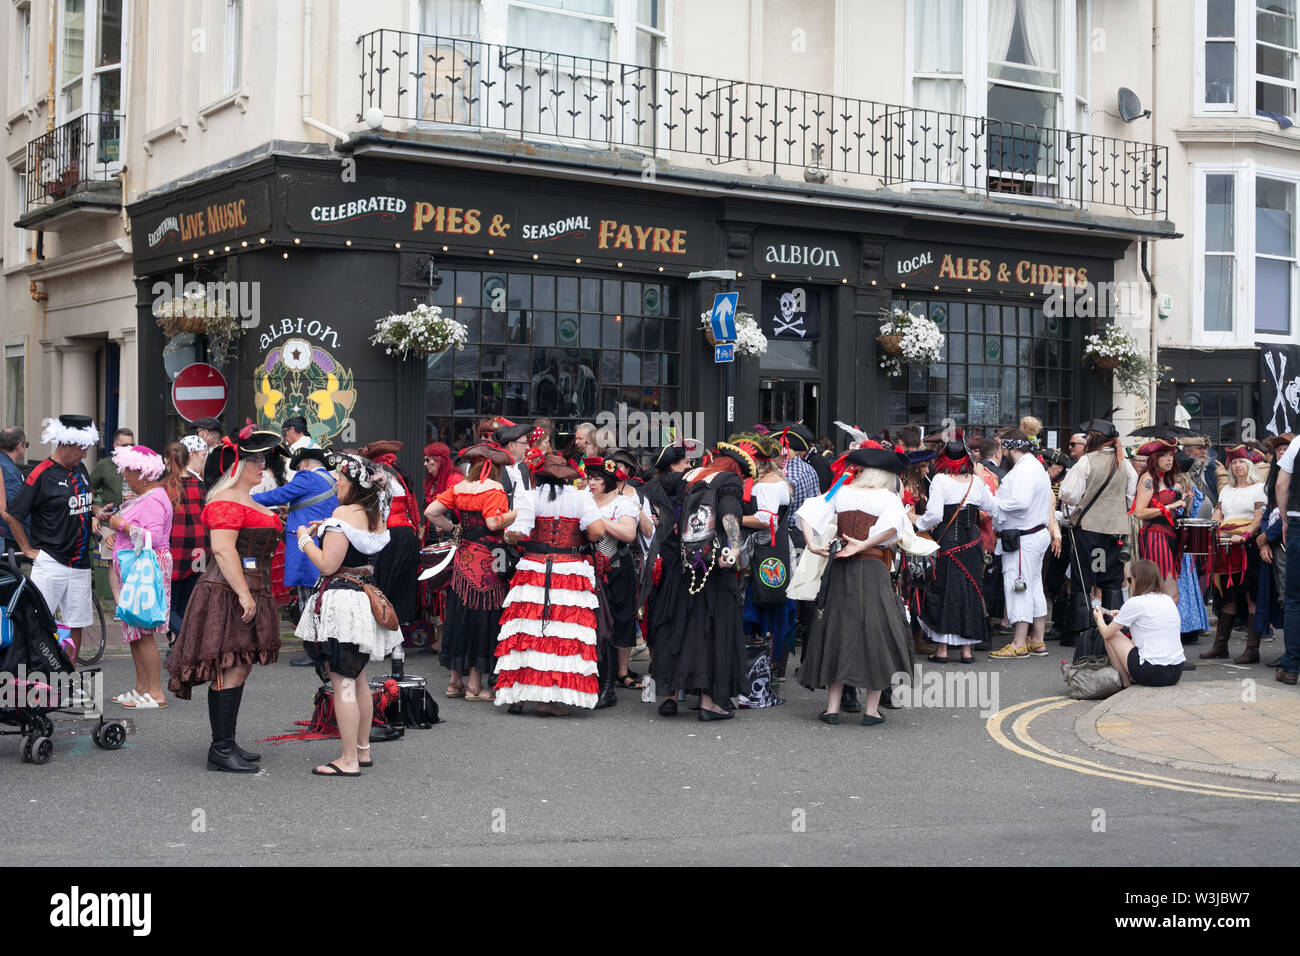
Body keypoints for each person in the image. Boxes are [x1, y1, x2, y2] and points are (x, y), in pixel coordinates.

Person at [166, 431, 286, 772]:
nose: (262, 466)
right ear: (237, 467)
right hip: (228, 592)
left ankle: (227, 743)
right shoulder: (225, 502)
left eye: (264, 461)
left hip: (248, 589)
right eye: (255, 461)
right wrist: (245, 594)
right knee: (229, 666)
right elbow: (222, 549)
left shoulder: (247, 501)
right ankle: (220, 749)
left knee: (241, 665)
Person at [296, 452, 402, 776]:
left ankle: (347, 760)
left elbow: (328, 564)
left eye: (340, 480)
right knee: (358, 680)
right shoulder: (376, 516)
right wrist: (324, 530)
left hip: (342, 600)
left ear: (355, 485)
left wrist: (304, 539)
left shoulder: (342, 514)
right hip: (365, 598)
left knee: (342, 680)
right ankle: (362, 750)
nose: (336, 484)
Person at [796, 442, 913, 725]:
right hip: (872, 569)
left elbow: (807, 512)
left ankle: (832, 708)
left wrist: (812, 545)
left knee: (837, 630)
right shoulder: (888, 499)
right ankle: (871, 712)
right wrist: (865, 543)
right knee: (877, 633)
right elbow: (894, 528)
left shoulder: (842, 491)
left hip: (841, 568)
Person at [494, 451, 607, 715]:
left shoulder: (530, 496)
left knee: (527, 630)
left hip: (533, 568)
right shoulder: (581, 497)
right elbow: (598, 531)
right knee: (558, 634)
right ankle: (548, 700)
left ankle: (519, 694)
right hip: (569, 570)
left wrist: (509, 537)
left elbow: (518, 533)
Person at [652, 441, 755, 720]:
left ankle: (671, 695)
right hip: (713, 568)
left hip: (683, 564)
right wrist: (733, 550)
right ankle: (709, 703)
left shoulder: (689, 475)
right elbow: (730, 516)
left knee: (679, 625)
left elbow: (656, 492)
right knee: (711, 631)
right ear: (739, 471)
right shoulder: (729, 481)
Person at [4, 415, 99, 662]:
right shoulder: (41, 473)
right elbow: (13, 515)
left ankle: (67, 676)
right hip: (51, 562)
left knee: (75, 624)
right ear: (65, 444)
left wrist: (95, 512)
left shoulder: (79, 468)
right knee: (39, 624)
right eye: (81, 448)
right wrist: (27, 548)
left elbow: (79, 501)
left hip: (80, 563)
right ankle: (41, 676)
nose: (85, 455)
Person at [425, 442, 514, 703]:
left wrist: (454, 528)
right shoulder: (495, 491)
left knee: (459, 615)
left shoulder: (459, 488)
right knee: (482, 619)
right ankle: (475, 686)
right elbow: (493, 522)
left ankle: (455, 682)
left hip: (463, 560)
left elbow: (431, 512)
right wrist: (517, 512)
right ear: (494, 468)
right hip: (487, 561)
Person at [100, 445, 173, 709]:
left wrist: (123, 526)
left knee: (143, 631)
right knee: (134, 631)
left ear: (143, 472)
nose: (125, 477)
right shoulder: (146, 496)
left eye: (129, 472)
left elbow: (154, 538)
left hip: (146, 570)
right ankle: (142, 688)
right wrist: (116, 534)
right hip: (136, 568)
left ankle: (155, 693)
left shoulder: (153, 498)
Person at [915, 439, 996, 663]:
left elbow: (934, 516)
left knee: (945, 591)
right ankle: (967, 650)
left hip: (948, 545)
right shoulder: (976, 482)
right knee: (970, 593)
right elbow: (991, 507)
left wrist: (918, 524)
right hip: (972, 546)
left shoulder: (940, 480)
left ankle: (942, 650)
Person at [1057, 420, 1137, 641]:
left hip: (1089, 530)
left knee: (1084, 578)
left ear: (1094, 437)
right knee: (1110, 581)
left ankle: (1080, 631)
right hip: (1114, 531)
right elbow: (1131, 496)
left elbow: (1069, 494)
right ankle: (1112, 628)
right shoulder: (1125, 463)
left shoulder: (1086, 462)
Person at [989, 428, 1060, 659]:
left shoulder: (1024, 470)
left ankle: (1019, 642)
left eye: (1003, 447)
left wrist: (994, 503)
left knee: (1018, 586)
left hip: (1023, 537)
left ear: (1010, 448)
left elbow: (1019, 501)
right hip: (1034, 535)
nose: (1002, 452)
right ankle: (1037, 640)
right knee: (1034, 586)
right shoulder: (1034, 466)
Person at [737, 434, 794, 707]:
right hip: (770, 549)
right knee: (764, 614)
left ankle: (759, 680)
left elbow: (766, 519)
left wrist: (733, 518)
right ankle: (762, 676)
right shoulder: (771, 482)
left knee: (761, 611)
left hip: (764, 551)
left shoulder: (769, 485)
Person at [585, 455, 641, 704]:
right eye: (589, 477)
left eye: (597, 478)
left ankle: (608, 685)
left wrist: (599, 522)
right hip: (586, 568)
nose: (592, 482)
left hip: (616, 568)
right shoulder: (583, 499)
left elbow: (629, 534)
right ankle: (593, 681)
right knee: (592, 624)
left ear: (608, 480)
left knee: (615, 622)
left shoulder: (623, 503)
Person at [1202, 447, 1266, 662]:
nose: (1237, 465)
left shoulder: (1260, 488)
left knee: (1251, 596)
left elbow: (1258, 518)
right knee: (1225, 595)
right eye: (1234, 462)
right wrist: (1212, 529)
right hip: (1225, 546)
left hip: (1248, 547)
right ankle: (1220, 646)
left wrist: (1246, 534)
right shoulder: (1226, 490)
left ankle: (1252, 650)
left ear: (1249, 466)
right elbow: (1218, 514)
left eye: (1242, 462)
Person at [1093, 560, 1186, 687]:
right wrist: (1123, 614)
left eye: (1131, 580)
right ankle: (1132, 679)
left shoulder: (1135, 602)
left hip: (1152, 671)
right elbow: (1149, 620)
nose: (1130, 584)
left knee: (1111, 637)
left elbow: (1106, 633)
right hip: (1176, 672)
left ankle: (1125, 683)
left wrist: (1099, 618)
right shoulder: (1167, 599)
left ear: (1139, 581)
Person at [360, 440, 421, 631]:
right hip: (407, 534)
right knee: (402, 584)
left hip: (390, 534)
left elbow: (379, 509)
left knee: (384, 584)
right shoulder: (398, 474)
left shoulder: (379, 475)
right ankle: (398, 636)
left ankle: (386, 632)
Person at [1131, 439, 1189, 601]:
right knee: (1169, 594)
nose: (1169, 459)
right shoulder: (1148, 479)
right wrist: (1170, 507)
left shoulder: (1165, 479)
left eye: (1171, 455)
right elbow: (1140, 513)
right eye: (1164, 455)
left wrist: (1178, 500)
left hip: (1169, 536)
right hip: (1155, 537)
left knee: (1163, 594)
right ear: (1154, 459)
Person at [165, 441, 208, 640]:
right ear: (187, 459)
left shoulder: (163, 488)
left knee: (168, 608)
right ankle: (177, 654)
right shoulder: (200, 485)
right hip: (199, 551)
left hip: (174, 551)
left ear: (166, 461)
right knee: (188, 603)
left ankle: (189, 639)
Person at [1273, 433, 1300, 684]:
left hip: (1298, 523)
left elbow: (1281, 485)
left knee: (1294, 599)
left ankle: (1291, 667)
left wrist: (1284, 519)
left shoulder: (1298, 442)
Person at [1174, 474, 1210, 644]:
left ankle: (1184, 628)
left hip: (1178, 545)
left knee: (1182, 585)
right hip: (1183, 546)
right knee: (1186, 585)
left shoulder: (1185, 496)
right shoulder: (1191, 494)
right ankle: (1189, 628)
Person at [90, 428, 135, 510]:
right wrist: (95, 509)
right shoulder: (104, 465)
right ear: (115, 445)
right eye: (124, 445)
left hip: (134, 518)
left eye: (131, 445)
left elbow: (149, 491)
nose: (128, 449)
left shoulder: (139, 464)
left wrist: (137, 496)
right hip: (109, 518)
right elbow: (89, 491)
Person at [0, 426, 29, 554]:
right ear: (19, 446)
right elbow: (16, 506)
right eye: (25, 445)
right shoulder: (8, 470)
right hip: (8, 536)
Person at [495, 423, 533, 507]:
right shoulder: (497, 469)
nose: (528, 448)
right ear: (511, 445)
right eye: (524, 443)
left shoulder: (523, 468)